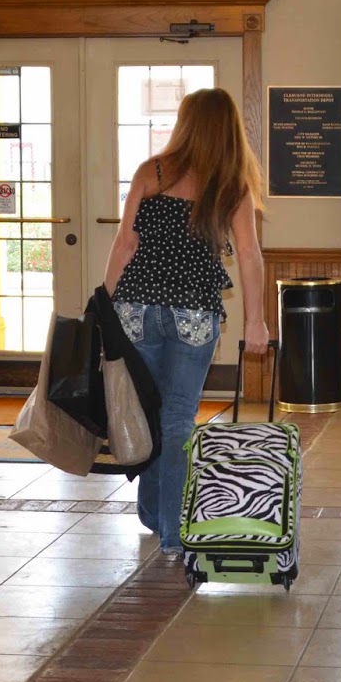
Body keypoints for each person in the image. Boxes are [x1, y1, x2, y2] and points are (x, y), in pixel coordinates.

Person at [103, 87, 269, 556]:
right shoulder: (230, 184)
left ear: (186, 123)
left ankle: (154, 513)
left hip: (137, 309)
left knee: (151, 413)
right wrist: (256, 321)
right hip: (194, 311)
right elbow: (251, 256)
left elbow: (124, 244)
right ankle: (174, 531)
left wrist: (105, 304)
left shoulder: (151, 172)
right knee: (177, 418)